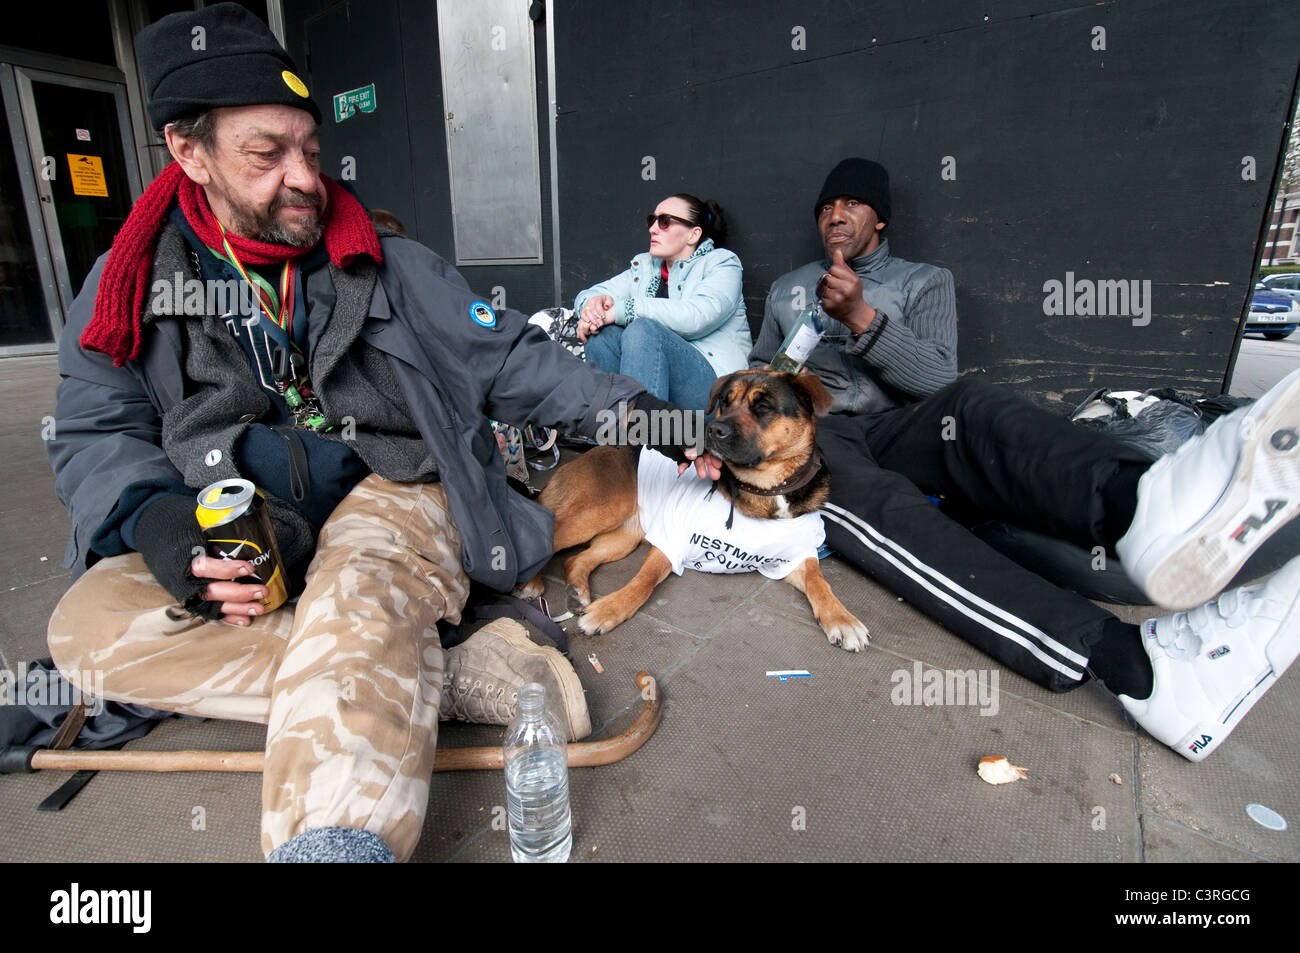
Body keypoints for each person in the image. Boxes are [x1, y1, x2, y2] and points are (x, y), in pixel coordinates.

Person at [42, 4, 684, 863]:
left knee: (365, 579)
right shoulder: (129, 280)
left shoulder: (389, 264)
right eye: (266, 155)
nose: (303, 177)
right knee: (85, 628)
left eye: (309, 149)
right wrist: (157, 520)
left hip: (394, 491)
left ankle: (337, 837)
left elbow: (511, 362)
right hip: (239, 510)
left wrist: (653, 417)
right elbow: (94, 422)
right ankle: (434, 670)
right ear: (189, 154)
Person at [738, 156, 1300, 762]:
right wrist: (765, 381)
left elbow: (936, 380)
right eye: (825, 208)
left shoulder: (924, 280)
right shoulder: (789, 286)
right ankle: (1139, 668)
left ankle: (1148, 503)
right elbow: (757, 369)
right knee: (882, 507)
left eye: (850, 203)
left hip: (904, 421)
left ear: (879, 218)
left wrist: (863, 319)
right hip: (815, 435)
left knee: (975, 405)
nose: (835, 215)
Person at [575, 194, 752, 410]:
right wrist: (592, 309)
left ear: (693, 234)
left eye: (665, 222)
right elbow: (590, 294)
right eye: (652, 220)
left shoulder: (721, 263)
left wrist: (626, 309)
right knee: (601, 334)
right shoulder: (646, 267)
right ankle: (619, 431)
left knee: (642, 329)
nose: (653, 229)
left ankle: (648, 439)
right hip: (660, 389)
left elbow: (697, 317)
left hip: (716, 391)